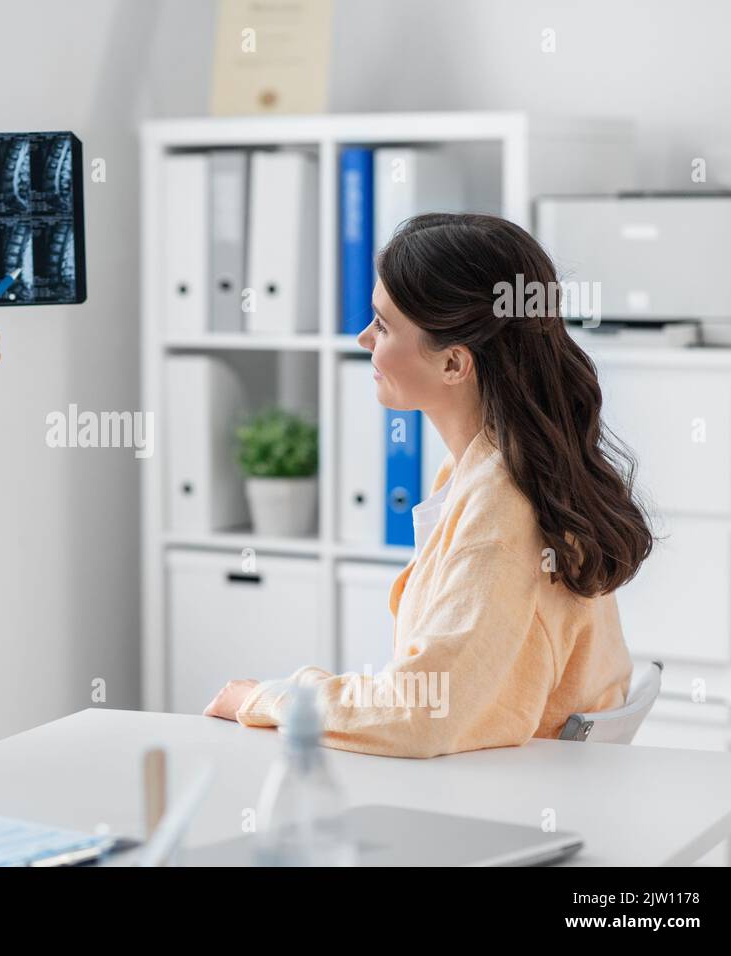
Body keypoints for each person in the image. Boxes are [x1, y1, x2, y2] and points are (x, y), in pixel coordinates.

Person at [204, 213, 652, 758]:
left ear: (454, 364)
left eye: (384, 326)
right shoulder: (499, 467)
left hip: (504, 805)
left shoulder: (501, 508)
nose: (364, 337)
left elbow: (420, 713)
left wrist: (273, 699)